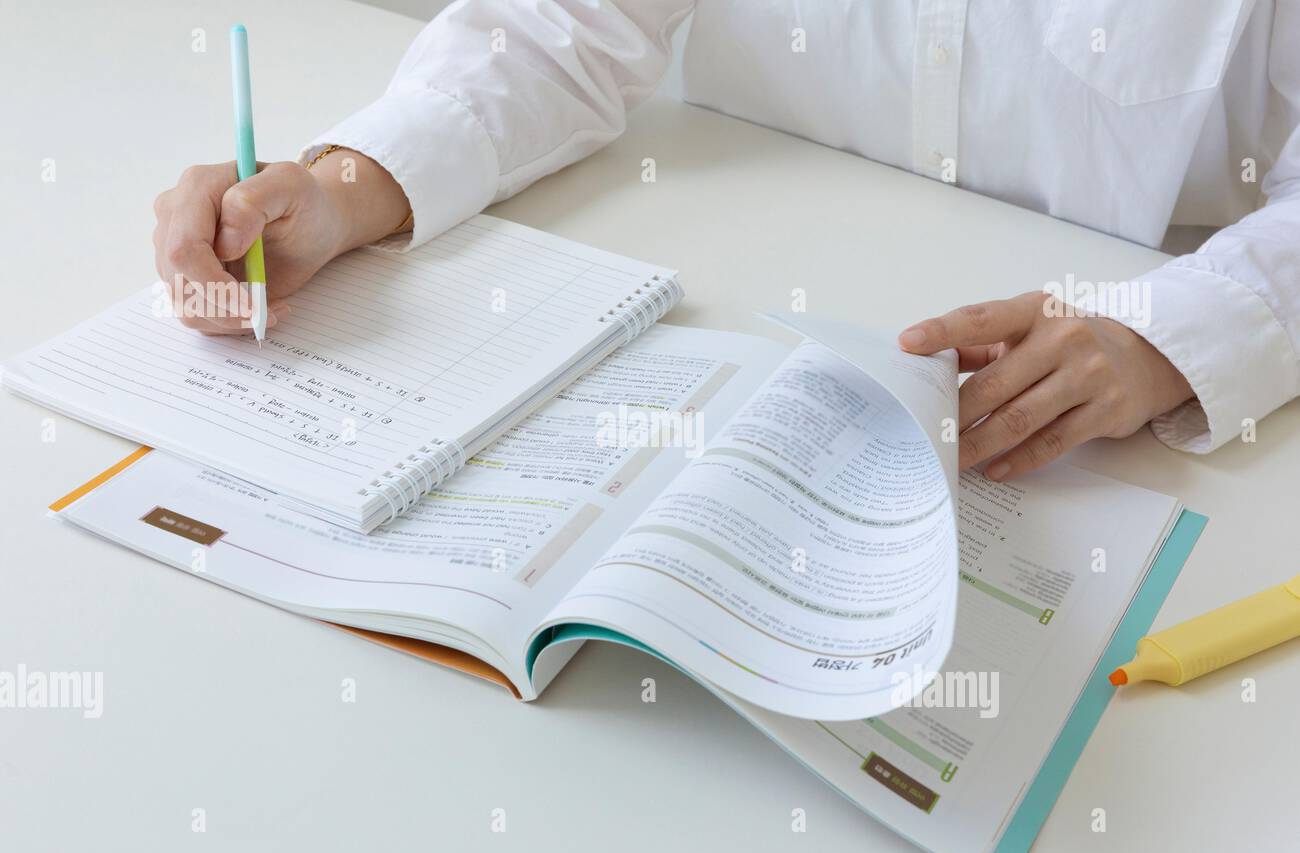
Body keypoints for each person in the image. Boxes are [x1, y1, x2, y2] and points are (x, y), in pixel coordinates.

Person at [151, 0, 1300, 480]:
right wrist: (354, 185)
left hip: (1111, 447)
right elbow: (569, 24)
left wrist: (1173, 334)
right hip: (717, 355)